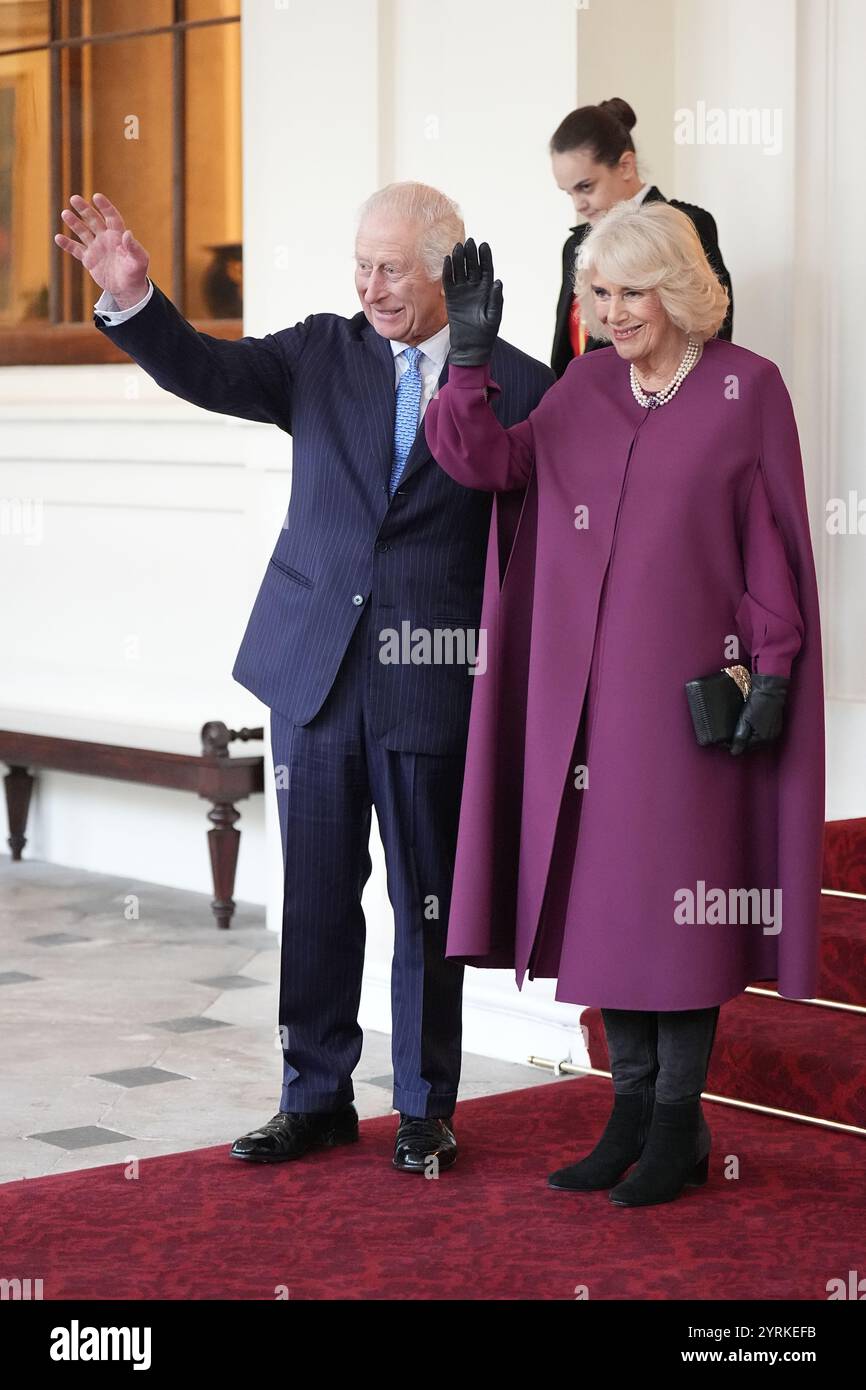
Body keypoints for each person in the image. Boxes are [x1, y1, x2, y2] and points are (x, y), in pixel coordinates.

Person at [54, 184, 553, 1174]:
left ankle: (421, 1107)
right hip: (312, 673)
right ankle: (313, 1097)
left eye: (391, 267)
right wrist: (136, 296)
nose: (368, 285)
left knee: (425, 907)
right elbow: (206, 368)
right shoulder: (319, 352)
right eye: (359, 264)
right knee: (317, 895)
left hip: (430, 678)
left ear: (446, 270)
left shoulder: (515, 379)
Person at [424, 202, 824, 1207]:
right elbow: (487, 465)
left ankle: (670, 1126)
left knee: (676, 922)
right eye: (595, 294)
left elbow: (768, 536)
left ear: (679, 289)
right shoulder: (586, 387)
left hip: (687, 707)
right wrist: (466, 359)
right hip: (585, 712)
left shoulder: (745, 389)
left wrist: (770, 667)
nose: (610, 311)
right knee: (607, 915)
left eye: (629, 291)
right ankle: (635, 1119)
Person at [550, 97, 733, 378]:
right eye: (569, 193)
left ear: (625, 165)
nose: (578, 204)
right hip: (584, 402)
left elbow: (712, 329)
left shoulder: (686, 225)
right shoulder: (575, 246)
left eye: (586, 187)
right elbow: (568, 349)